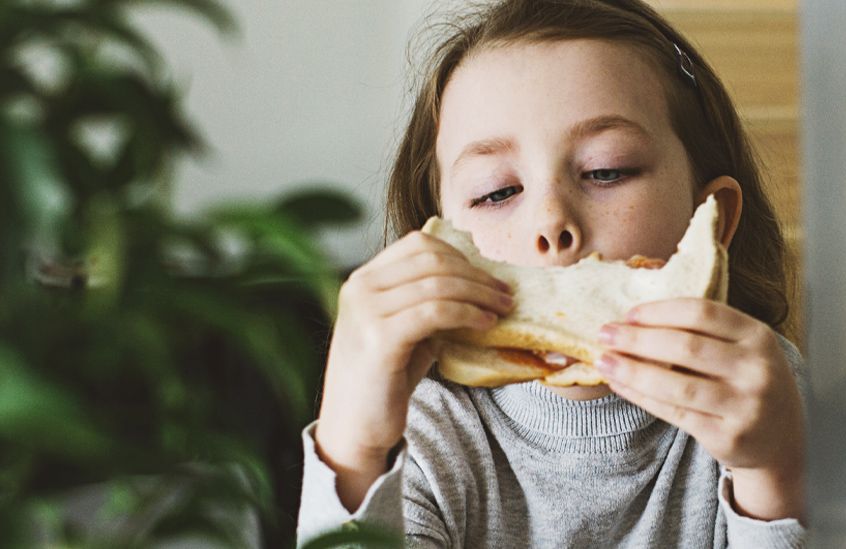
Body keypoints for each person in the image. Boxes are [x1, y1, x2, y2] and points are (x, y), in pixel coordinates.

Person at [297, 0, 807, 546]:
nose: (550, 221)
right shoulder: (425, 429)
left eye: (606, 170)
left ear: (711, 224)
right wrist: (354, 450)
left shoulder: (761, 399)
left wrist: (773, 474)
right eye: (497, 192)